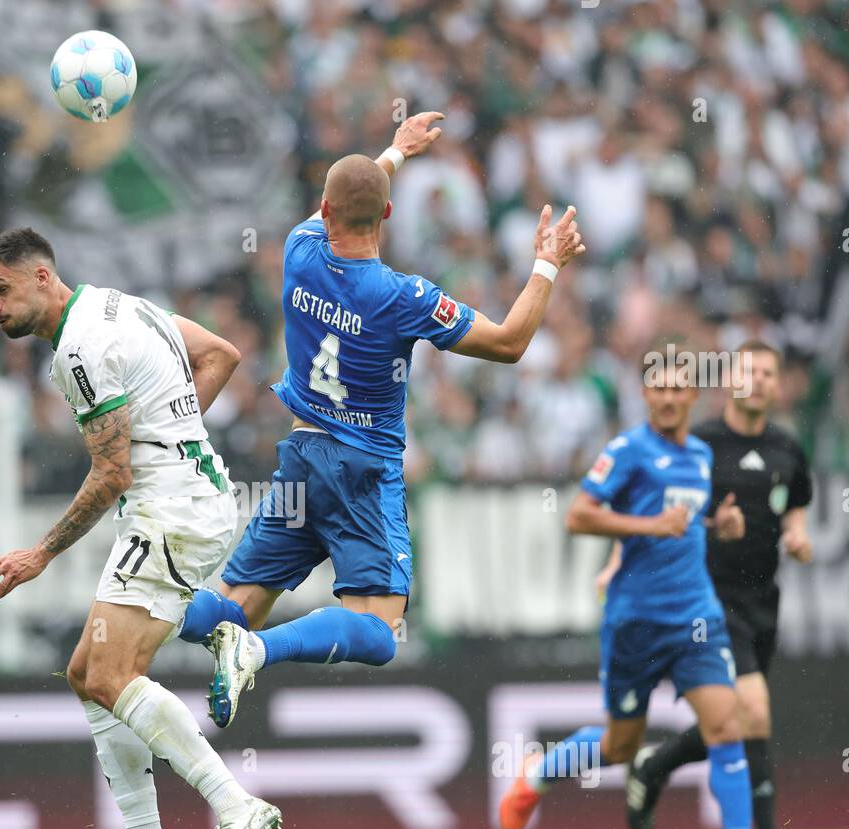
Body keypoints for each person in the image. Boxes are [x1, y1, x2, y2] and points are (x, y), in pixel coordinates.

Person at [173, 111, 586, 728]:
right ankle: (257, 652)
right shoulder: (404, 296)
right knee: (379, 630)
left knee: (230, 608)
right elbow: (508, 343)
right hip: (361, 468)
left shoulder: (298, 250)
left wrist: (394, 152)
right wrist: (547, 264)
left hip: (301, 457)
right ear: (389, 216)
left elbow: (350, 196)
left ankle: (143, 607)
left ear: (325, 209)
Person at [0, 229, 281, 829]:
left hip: (169, 513)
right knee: (88, 672)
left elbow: (111, 472)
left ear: (42, 276)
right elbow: (220, 354)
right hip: (185, 499)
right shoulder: (122, 305)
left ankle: (235, 804)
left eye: (1, 289)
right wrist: (173, 436)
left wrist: (40, 553)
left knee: (112, 675)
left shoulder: (80, 348)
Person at [498, 346, 781, 829]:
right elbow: (578, 516)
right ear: (646, 395)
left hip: (696, 618)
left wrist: (716, 524)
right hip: (636, 624)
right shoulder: (628, 450)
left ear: (693, 395)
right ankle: (536, 774)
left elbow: (687, 521)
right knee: (621, 745)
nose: (670, 397)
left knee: (728, 724)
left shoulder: (700, 454)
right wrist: (649, 528)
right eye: (660, 388)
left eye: (680, 388)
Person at [620, 340, 816, 829]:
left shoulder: (786, 449)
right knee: (752, 710)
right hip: (706, 598)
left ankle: (654, 766)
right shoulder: (700, 443)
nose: (756, 380)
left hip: (762, 604)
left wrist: (797, 534)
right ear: (728, 380)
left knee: (731, 720)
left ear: (778, 385)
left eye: (768, 372)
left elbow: (796, 501)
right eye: (747, 370)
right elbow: (653, 505)